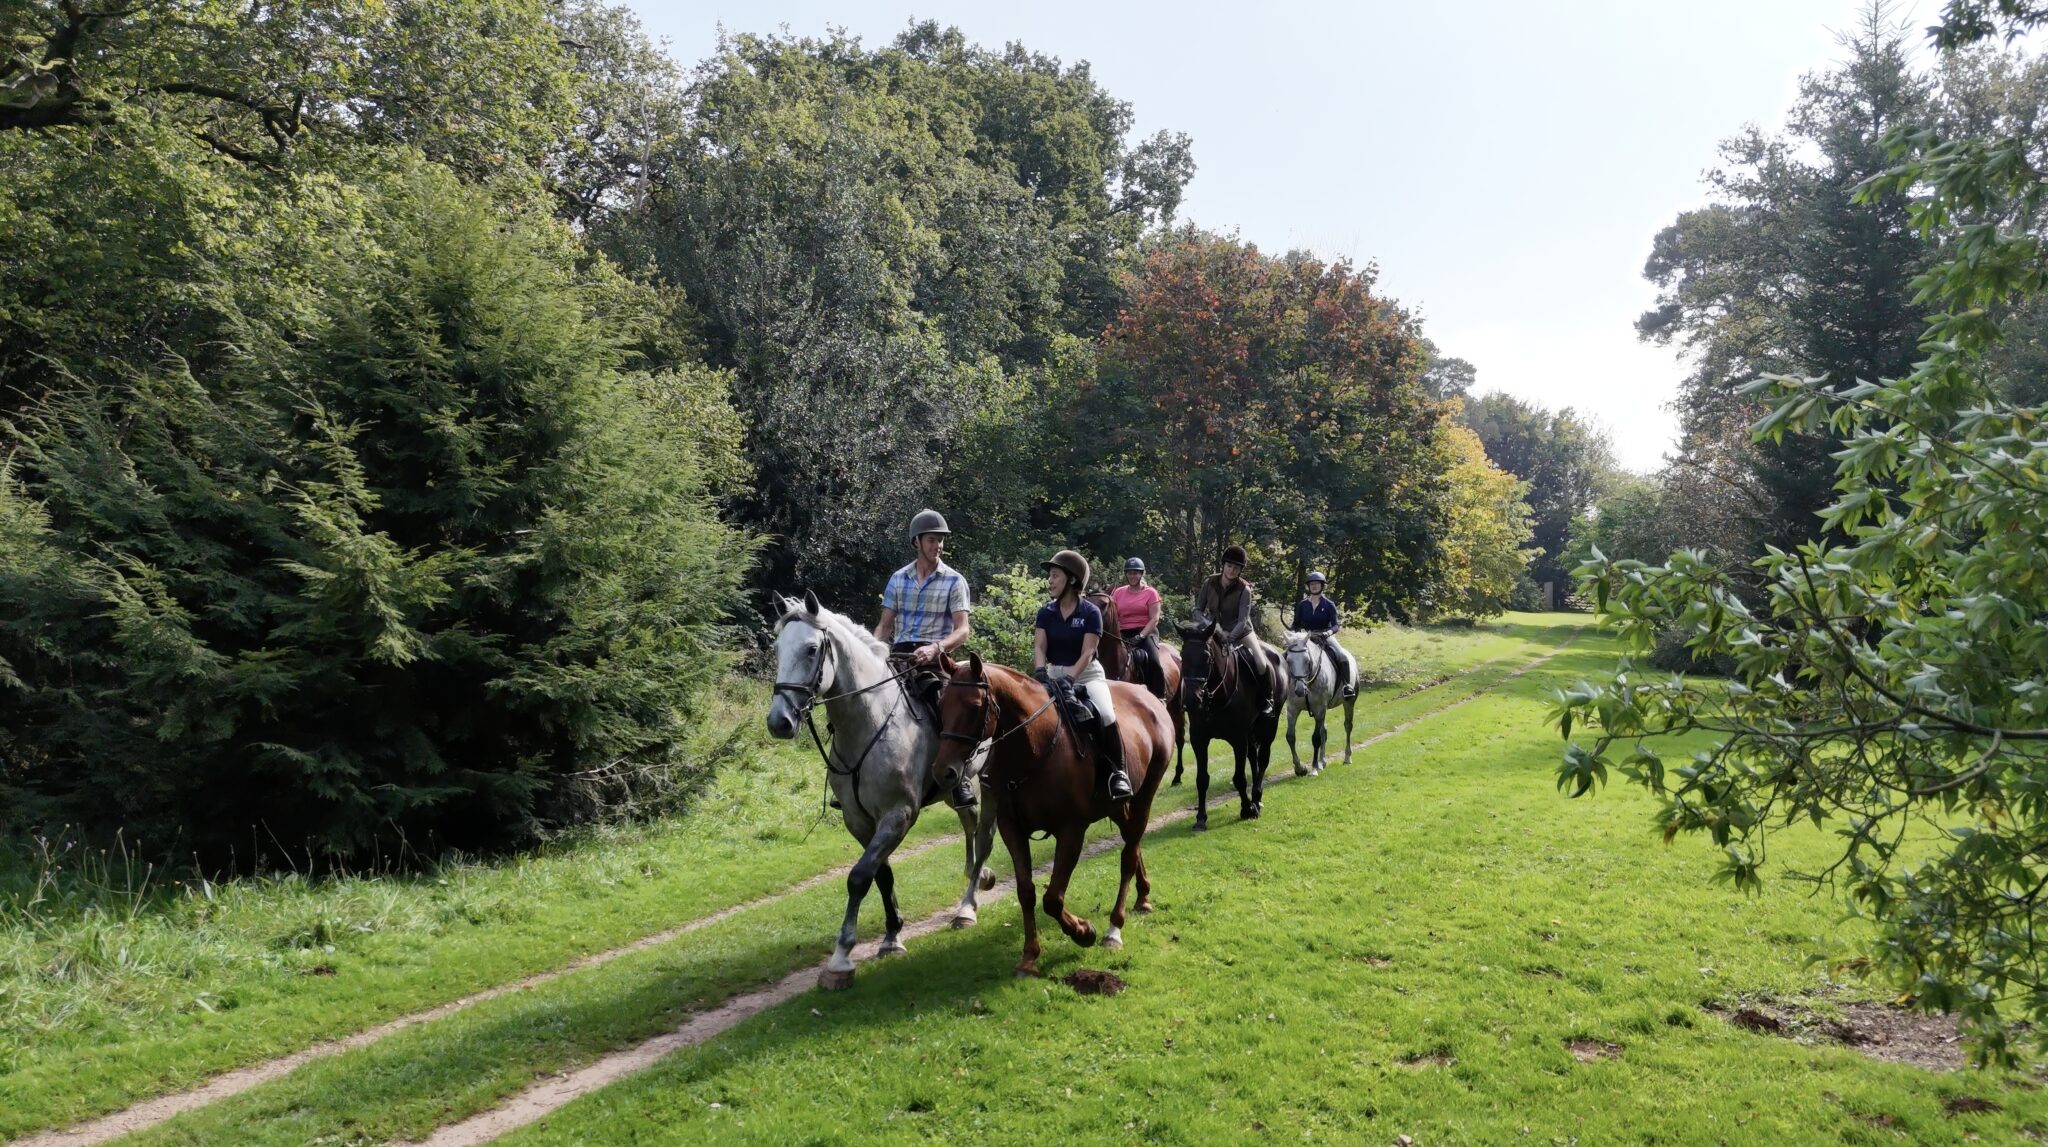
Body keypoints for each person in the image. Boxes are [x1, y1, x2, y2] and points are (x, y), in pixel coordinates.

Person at [875, 509, 976, 808]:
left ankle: (960, 779)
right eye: (932, 540)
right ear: (916, 542)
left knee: (948, 708)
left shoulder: (955, 581)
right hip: (899, 656)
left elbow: (962, 630)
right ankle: (856, 775)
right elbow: (885, 626)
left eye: (941, 540)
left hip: (935, 660)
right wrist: (872, 650)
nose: (938, 546)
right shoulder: (898, 579)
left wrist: (935, 648)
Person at [1032, 550, 1134, 803]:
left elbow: (1088, 652)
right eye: (1050, 576)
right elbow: (1040, 647)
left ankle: (1118, 772)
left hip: (1086, 675)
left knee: (1106, 714)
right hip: (1053, 674)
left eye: (1055, 575)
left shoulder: (1090, 612)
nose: (1049, 581)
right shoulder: (1045, 612)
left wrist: (1070, 679)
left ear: (1071, 579)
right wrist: (1040, 672)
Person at [1194, 544, 1275, 715]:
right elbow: (1197, 610)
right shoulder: (1209, 582)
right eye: (1229, 566)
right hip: (1213, 629)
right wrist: (1210, 626)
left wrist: (1229, 638)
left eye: (1236, 568)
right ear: (1223, 565)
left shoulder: (1244, 589)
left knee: (1260, 661)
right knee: (1193, 654)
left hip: (1240, 631)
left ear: (1240, 570)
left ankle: (1267, 698)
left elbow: (1243, 620)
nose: (1231, 570)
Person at [1293, 571, 1358, 699]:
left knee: (1342, 655)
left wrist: (1328, 632)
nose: (1314, 586)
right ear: (1308, 586)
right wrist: (1295, 635)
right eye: (1312, 584)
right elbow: (1296, 624)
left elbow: (1335, 625)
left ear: (1322, 586)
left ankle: (1346, 686)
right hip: (1307, 637)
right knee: (1290, 655)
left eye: (1317, 584)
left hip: (1325, 636)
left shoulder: (1329, 604)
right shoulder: (1302, 605)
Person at [1110, 557, 1166, 698]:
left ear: (1141, 574)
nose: (1132, 576)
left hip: (1145, 631)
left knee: (1153, 661)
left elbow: (1154, 618)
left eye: (1135, 573)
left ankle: (1159, 696)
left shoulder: (1150, 593)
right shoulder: (1118, 592)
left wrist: (1141, 636)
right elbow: (1114, 615)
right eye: (1129, 573)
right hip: (1122, 632)